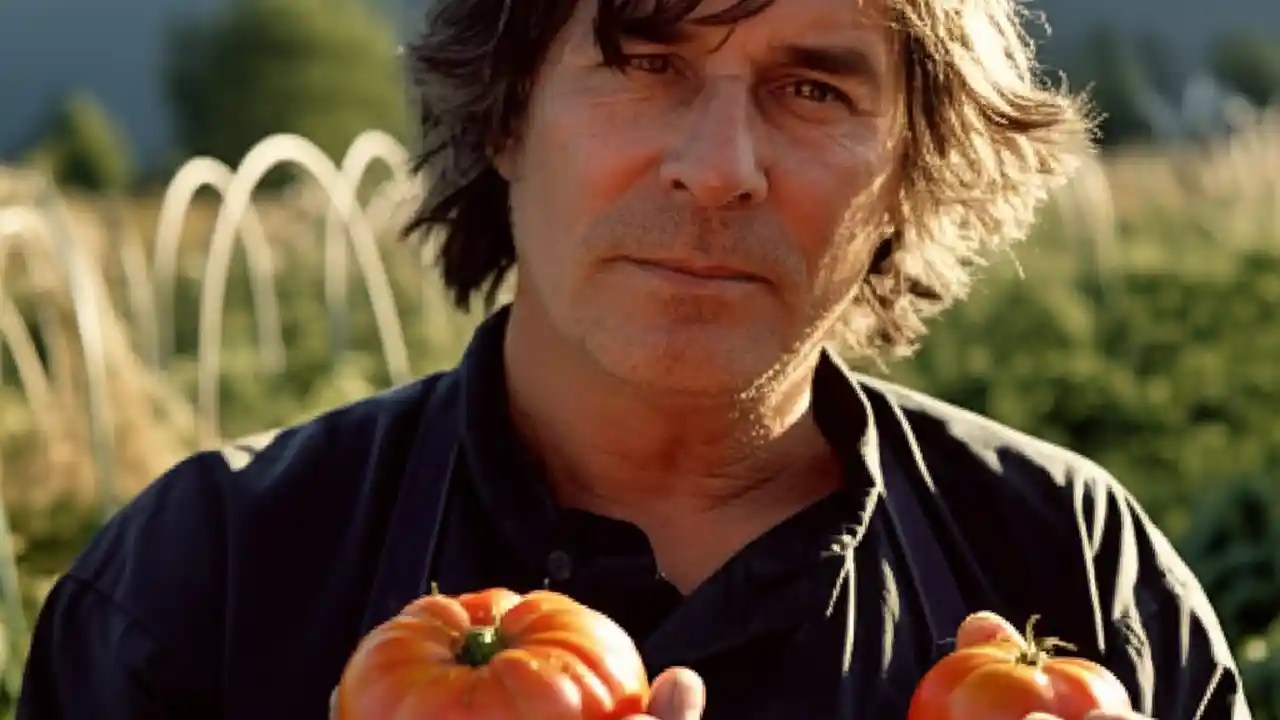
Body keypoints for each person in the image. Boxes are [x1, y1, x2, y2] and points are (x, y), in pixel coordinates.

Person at [17, 0, 1249, 718]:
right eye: (644, 63)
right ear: (504, 118)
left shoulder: (1074, 567)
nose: (717, 168)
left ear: (907, 176)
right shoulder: (209, 581)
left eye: (811, 90)